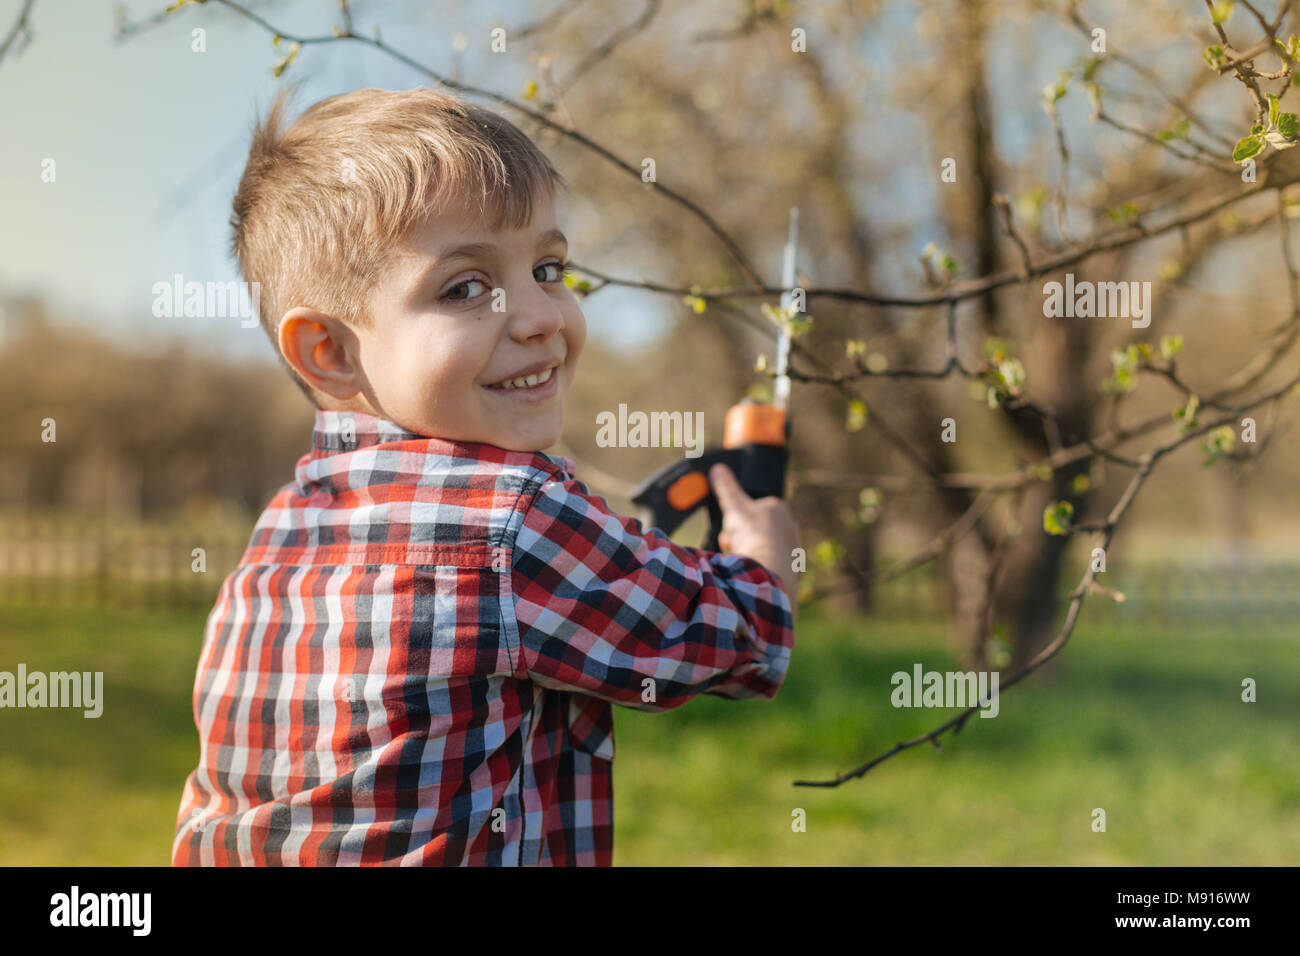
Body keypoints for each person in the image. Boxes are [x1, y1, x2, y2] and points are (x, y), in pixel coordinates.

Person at [171, 87, 798, 866]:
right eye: (465, 288)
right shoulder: (515, 518)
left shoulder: (279, 533)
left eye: (548, 267)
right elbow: (731, 640)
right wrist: (762, 557)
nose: (537, 315)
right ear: (329, 351)